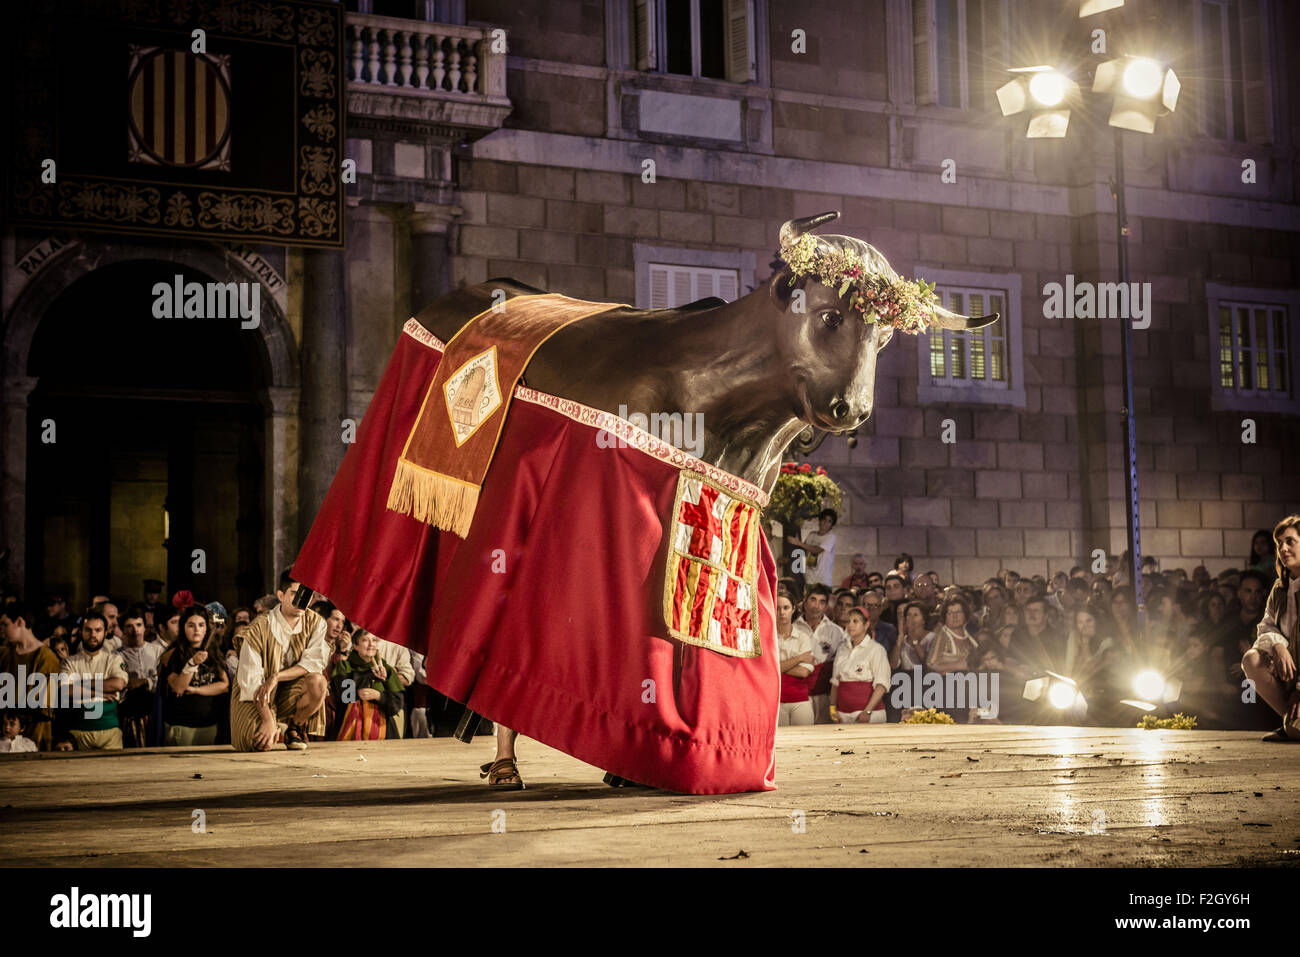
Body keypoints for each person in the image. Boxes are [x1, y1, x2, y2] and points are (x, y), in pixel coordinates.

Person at [229, 569, 329, 752]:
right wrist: (267, 720)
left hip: (288, 690)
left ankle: (294, 726)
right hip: (255, 695)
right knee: (259, 743)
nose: (302, 601)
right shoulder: (258, 629)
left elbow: (312, 663)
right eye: (295, 594)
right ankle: (273, 722)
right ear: (281, 595)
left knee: (318, 682)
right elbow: (250, 682)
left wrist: (276, 677)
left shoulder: (317, 623)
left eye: (307, 595)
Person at [1241, 515, 1300, 741]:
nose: (1283, 548)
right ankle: (1290, 722)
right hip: (1292, 673)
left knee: (1296, 731)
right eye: (1279, 544)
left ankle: (1292, 726)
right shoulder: (1280, 587)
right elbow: (1266, 625)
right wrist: (1278, 646)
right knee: (1251, 660)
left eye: (1290, 542)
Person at [160, 605, 229, 746]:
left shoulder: (213, 653)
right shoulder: (174, 655)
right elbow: (179, 688)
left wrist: (196, 690)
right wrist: (191, 663)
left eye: (201, 625)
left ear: (206, 629)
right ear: (183, 628)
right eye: (191, 625)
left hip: (209, 725)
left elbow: (224, 685)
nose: (197, 629)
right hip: (182, 726)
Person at [59, 612, 128, 750]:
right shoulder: (69, 662)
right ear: (81, 632)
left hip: (110, 732)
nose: (93, 635)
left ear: (105, 632)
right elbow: (66, 691)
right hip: (78, 732)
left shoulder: (114, 659)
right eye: (88, 630)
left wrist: (79, 683)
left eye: (98, 630)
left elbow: (117, 684)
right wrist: (101, 693)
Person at [0, 601, 61, 750]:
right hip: (5, 734)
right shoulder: (5, 654)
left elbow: (43, 704)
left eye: (5, 624)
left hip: (35, 733)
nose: (2, 630)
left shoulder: (46, 657)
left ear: (20, 622)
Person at [329, 629, 405, 740]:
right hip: (350, 727)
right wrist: (370, 674)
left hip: (383, 731)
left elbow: (397, 705)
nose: (371, 644)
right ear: (355, 646)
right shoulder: (344, 666)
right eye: (365, 640)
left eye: (374, 640)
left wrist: (379, 696)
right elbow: (346, 697)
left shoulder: (386, 669)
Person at [921, 592, 981, 722]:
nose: (954, 616)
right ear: (944, 616)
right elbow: (931, 663)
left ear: (966, 615)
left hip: (969, 690)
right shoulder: (943, 636)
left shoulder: (970, 637)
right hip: (950, 692)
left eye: (958, 612)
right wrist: (958, 665)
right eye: (950, 613)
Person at [792, 584, 846, 724]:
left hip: (825, 696)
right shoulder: (792, 628)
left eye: (822, 602)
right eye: (813, 600)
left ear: (826, 606)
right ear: (804, 601)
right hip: (798, 694)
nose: (816, 606)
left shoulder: (837, 631)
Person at [828, 607, 890, 723]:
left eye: (855, 621)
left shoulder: (876, 649)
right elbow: (835, 683)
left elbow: (881, 685)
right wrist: (833, 708)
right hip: (843, 714)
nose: (851, 625)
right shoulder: (842, 649)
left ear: (866, 625)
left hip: (869, 715)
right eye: (848, 621)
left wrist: (867, 712)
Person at [117, 608, 164, 748]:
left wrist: (145, 681)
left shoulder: (157, 650)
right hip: (130, 713)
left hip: (154, 710)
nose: (135, 630)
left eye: (138, 625)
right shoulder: (117, 656)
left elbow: (162, 681)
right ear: (123, 630)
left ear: (144, 627)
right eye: (129, 626)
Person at [776, 588, 814, 726]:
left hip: (800, 700)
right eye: (778, 608)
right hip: (775, 700)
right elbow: (766, 669)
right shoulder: (768, 638)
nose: (782, 613)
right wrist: (799, 658)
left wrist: (778, 666)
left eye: (786, 608)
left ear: (793, 609)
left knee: (806, 741)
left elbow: (804, 671)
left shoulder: (803, 637)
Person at [786, 508, 838, 588]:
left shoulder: (831, 537)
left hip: (823, 580)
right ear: (820, 520)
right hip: (809, 578)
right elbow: (802, 551)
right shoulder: (812, 535)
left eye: (829, 521)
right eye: (824, 519)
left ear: (832, 525)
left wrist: (798, 543)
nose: (825, 523)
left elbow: (817, 550)